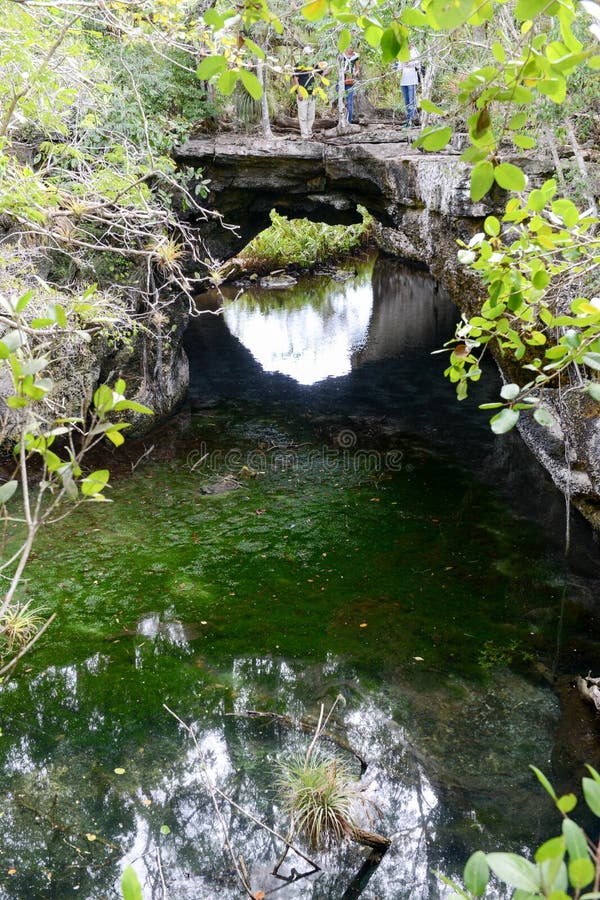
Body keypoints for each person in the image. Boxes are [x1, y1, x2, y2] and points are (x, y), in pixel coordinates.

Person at [293, 49, 328, 139]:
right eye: (309, 54)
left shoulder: (314, 64)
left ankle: (309, 132)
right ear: (305, 54)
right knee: (303, 115)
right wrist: (299, 92)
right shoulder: (299, 64)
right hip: (302, 94)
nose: (310, 55)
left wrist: (327, 68)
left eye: (311, 53)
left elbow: (321, 74)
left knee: (311, 115)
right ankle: (304, 135)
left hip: (312, 94)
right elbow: (295, 78)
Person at [396, 44, 421, 127]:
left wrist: (408, 62)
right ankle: (408, 120)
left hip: (412, 79)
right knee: (406, 101)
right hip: (404, 80)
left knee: (412, 100)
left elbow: (418, 64)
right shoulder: (402, 52)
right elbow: (399, 67)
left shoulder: (415, 52)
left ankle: (412, 120)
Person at [340, 46, 360, 124]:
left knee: (350, 102)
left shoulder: (355, 57)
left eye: (353, 48)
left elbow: (357, 69)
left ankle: (349, 121)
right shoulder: (342, 56)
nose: (352, 49)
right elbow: (338, 67)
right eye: (350, 48)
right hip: (341, 81)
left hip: (350, 81)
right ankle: (341, 120)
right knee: (340, 100)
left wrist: (355, 74)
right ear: (347, 48)